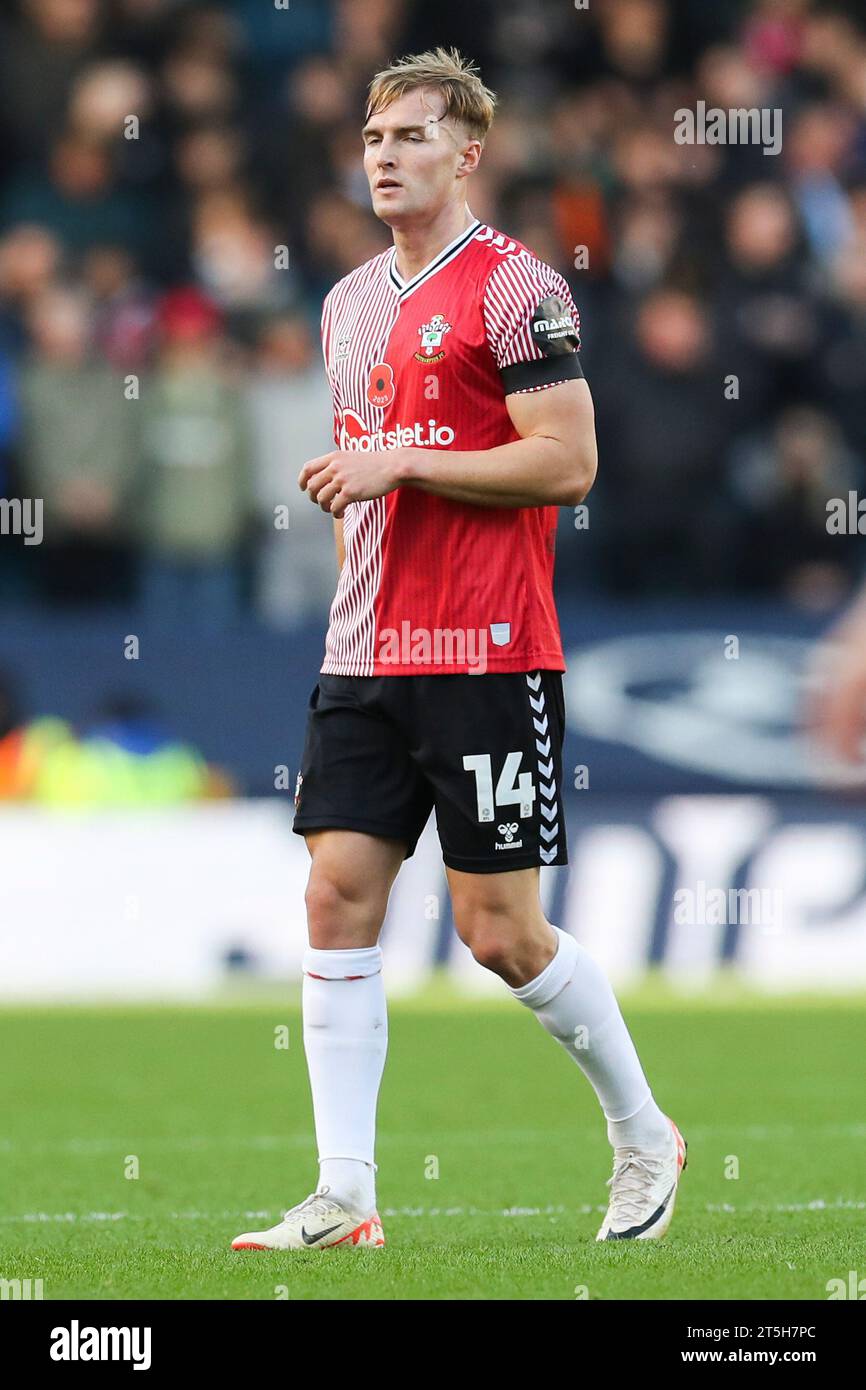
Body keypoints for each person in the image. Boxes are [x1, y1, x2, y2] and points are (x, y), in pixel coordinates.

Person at [231, 47, 686, 1254]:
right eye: (373, 139)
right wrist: (349, 595)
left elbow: (566, 462)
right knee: (334, 896)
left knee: (498, 933)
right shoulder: (342, 306)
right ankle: (345, 1195)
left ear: (465, 154)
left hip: (486, 650)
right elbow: (356, 485)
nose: (384, 157)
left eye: (411, 137)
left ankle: (641, 1127)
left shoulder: (517, 288)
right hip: (366, 649)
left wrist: (404, 459)